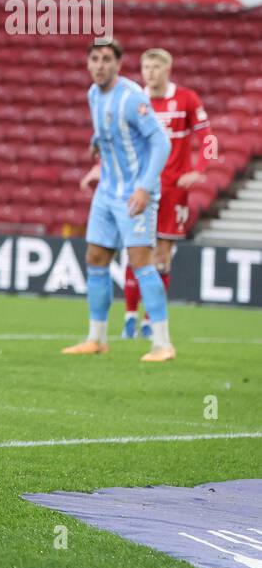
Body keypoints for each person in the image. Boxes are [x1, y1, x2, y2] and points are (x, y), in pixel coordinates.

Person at [82, 47, 211, 341]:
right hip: (136, 184)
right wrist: (98, 164)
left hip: (171, 187)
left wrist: (201, 169)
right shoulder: (133, 99)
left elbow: (209, 137)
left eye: (155, 67)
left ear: (167, 69)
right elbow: (113, 136)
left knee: (159, 256)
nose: (150, 73)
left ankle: (152, 322)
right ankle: (129, 318)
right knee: (132, 253)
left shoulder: (185, 99)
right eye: (146, 67)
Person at [66, 39, 173, 361]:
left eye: (106, 59)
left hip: (133, 193)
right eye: (94, 59)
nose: (99, 65)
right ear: (88, 64)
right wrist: (97, 141)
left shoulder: (132, 98)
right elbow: (106, 128)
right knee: (96, 258)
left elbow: (161, 143)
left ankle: (162, 344)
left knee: (141, 261)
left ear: (118, 64)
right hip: (106, 191)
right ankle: (96, 338)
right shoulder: (93, 94)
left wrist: (144, 187)